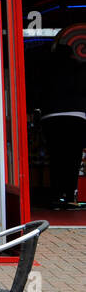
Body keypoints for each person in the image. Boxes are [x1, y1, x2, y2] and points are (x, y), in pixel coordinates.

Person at [38, 42, 86, 210]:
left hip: (51, 116)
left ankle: (56, 195)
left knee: (56, 157)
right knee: (73, 158)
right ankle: (70, 195)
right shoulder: (79, 69)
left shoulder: (46, 70)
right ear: (72, 54)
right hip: (76, 116)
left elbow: (38, 93)